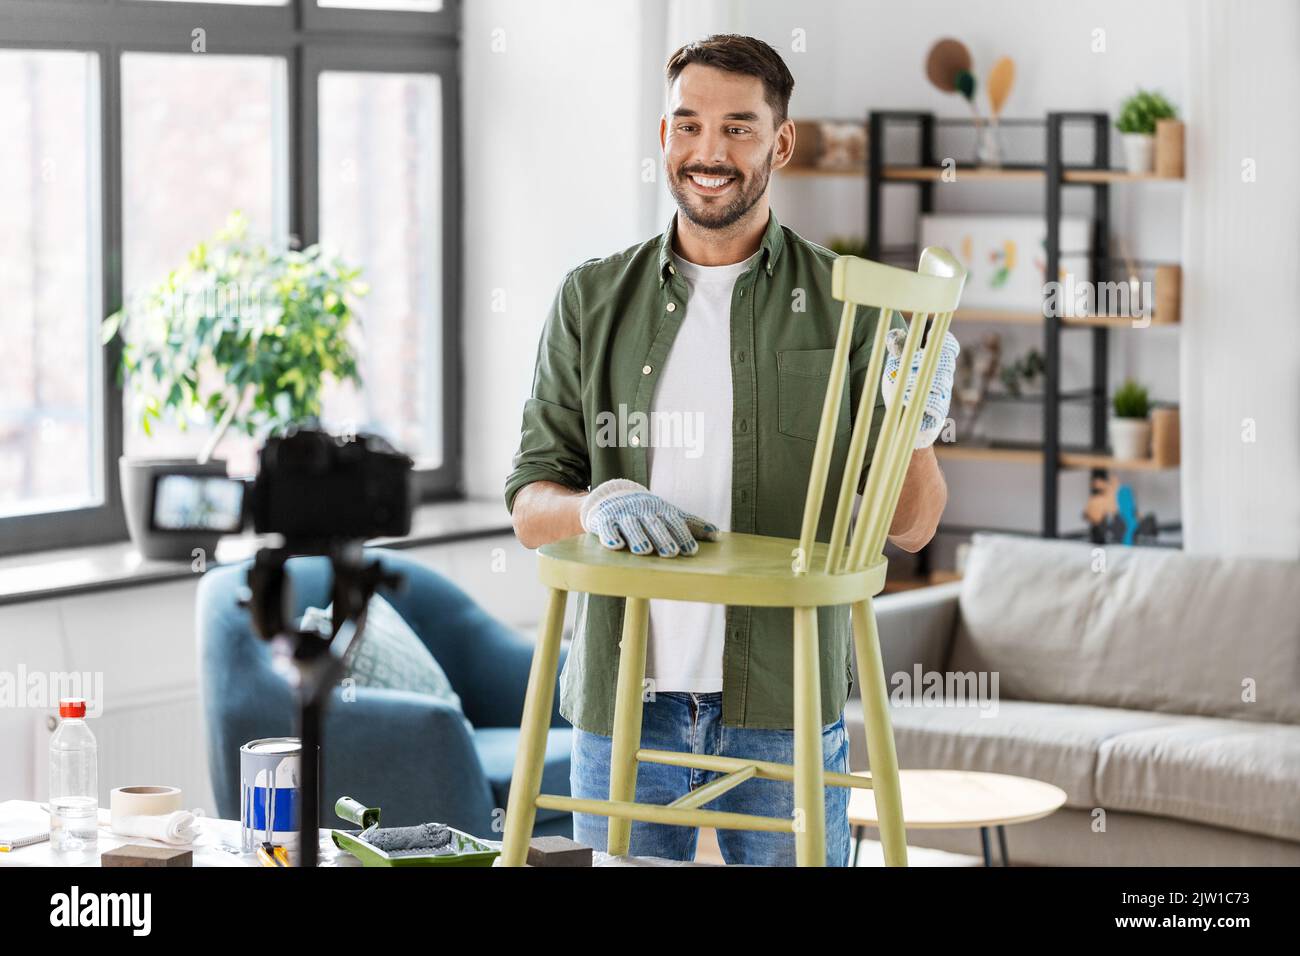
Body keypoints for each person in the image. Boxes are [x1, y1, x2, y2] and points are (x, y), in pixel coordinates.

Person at [505, 34, 957, 865]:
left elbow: (914, 526)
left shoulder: (845, 304)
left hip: (784, 691)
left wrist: (913, 420)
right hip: (623, 695)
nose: (708, 152)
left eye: (738, 128)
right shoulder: (591, 299)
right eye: (688, 125)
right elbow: (532, 504)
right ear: (665, 134)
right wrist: (596, 503)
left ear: (781, 142)